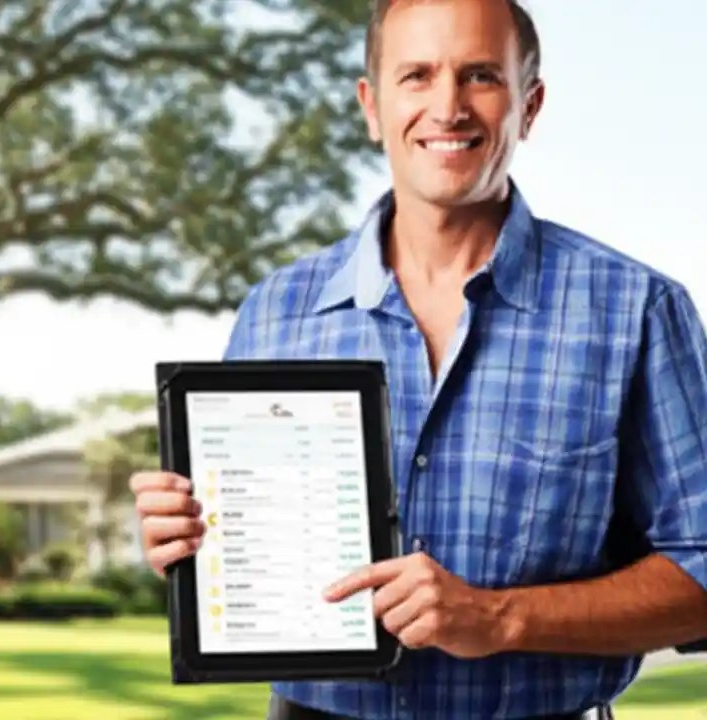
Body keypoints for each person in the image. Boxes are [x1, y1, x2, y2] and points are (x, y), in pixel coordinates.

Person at [129, 1, 707, 718]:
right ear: (372, 105)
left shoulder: (637, 310)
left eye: (481, 76)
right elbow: (234, 554)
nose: (448, 107)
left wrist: (498, 618)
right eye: (417, 75)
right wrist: (186, 543)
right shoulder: (276, 312)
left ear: (530, 105)